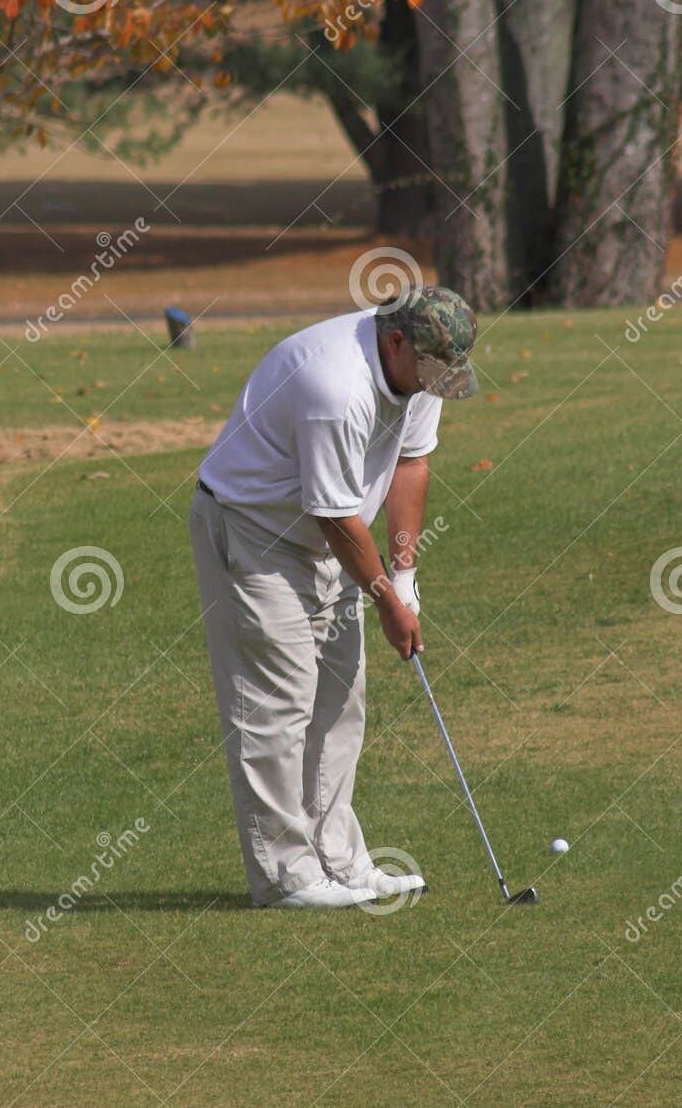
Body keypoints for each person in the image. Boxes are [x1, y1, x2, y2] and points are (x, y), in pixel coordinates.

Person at [189, 287, 479, 910]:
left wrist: (403, 577)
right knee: (278, 705)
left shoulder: (421, 370)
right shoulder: (335, 388)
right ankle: (284, 877)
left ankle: (341, 863)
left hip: (324, 535)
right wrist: (384, 602)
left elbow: (410, 463)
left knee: (340, 700)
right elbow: (333, 514)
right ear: (395, 343)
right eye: (432, 374)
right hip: (254, 532)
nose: (438, 386)